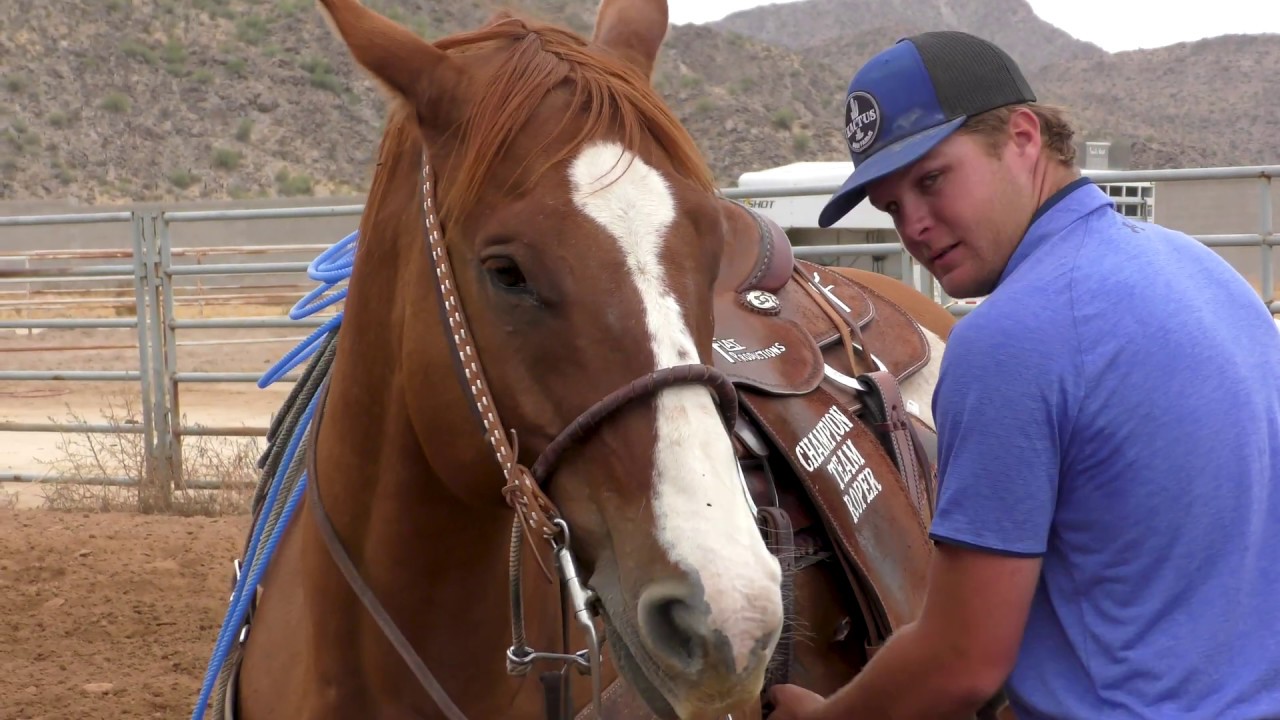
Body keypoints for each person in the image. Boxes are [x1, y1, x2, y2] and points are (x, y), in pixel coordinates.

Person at [765, 30, 1280, 720]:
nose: (913, 226)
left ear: (1025, 137)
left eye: (932, 179)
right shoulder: (1203, 268)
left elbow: (961, 664)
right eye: (891, 207)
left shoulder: (1011, 340)